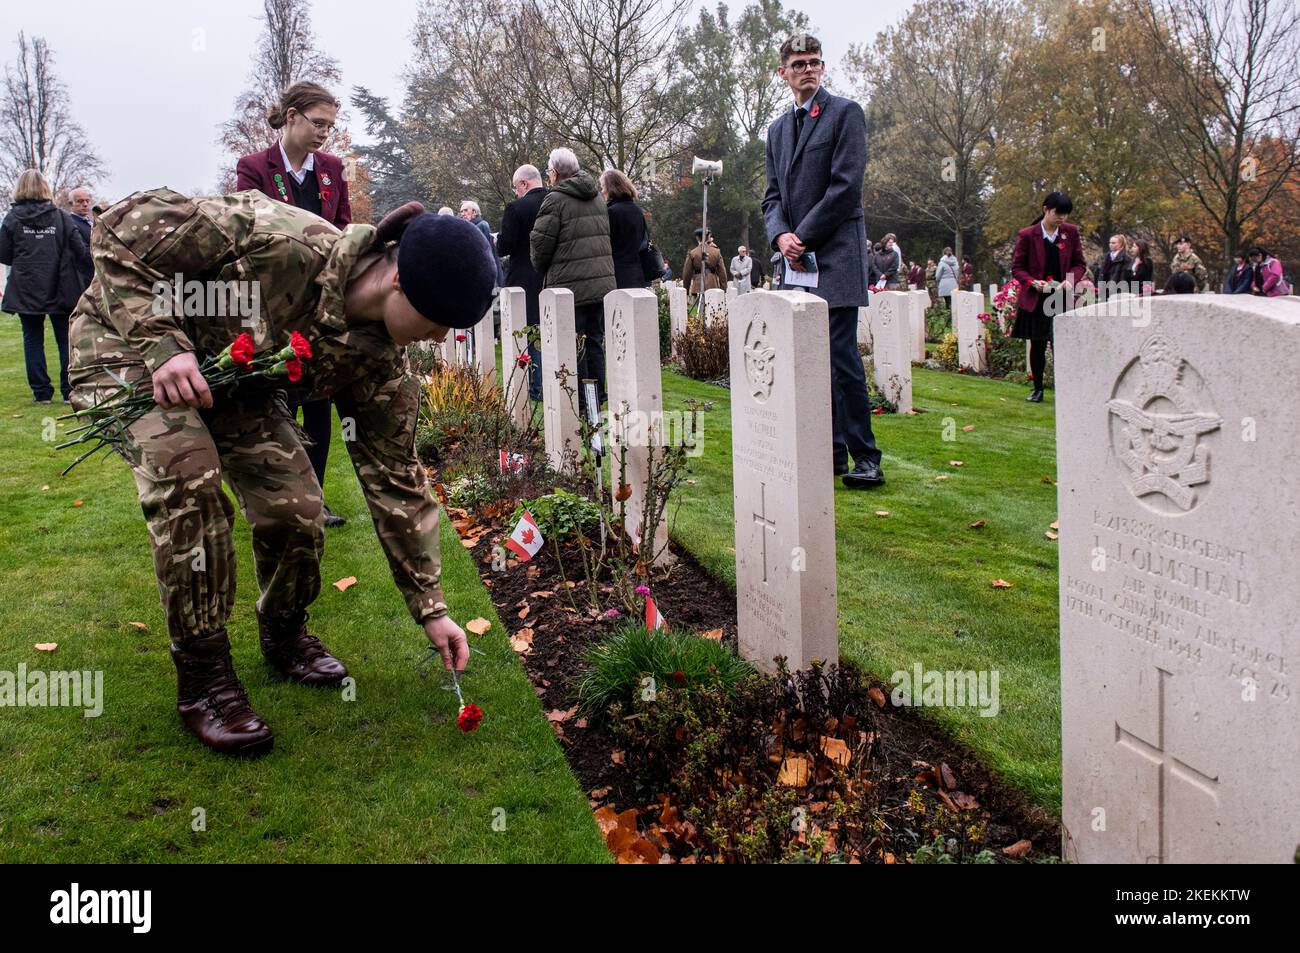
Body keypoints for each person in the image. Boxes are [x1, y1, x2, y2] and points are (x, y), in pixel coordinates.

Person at [67, 190, 497, 755]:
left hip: (231, 381)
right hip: (124, 346)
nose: (442, 337)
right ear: (398, 279)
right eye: (439, 320)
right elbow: (121, 228)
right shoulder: (276, 239)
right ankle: (204, 677)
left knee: (296, 509)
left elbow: (395, 477)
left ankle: (284, 631)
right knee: (189, 478)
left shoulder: (379, 361)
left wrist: (431, 607)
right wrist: (163, 344)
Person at [763, 33, 883, 489]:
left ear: (823, 68)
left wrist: (802, 236)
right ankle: (826, 452)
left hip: (833, 254)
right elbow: (771, 196)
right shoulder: (776, 130)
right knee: (801, 358)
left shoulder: (844, 113)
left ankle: (865, 455)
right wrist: (780, 237)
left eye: (814, 62)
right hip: (795, 260)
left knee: (840, 357)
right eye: (798, 64)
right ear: (784, 73)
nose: (808, 69)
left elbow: (845, 187)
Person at [237, 81, 352, 528]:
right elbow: (251, 228)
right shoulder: (254, 168)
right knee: (279, 402)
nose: (325, 133)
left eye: (331, 126)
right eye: (318, 123)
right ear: (291, 117)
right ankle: (285, 500)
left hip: (319, 303)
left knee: (319, 402)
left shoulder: (332, 168)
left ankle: (317, 500)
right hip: (273, 308)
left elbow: (341, 227)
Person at [530, 146, 616, 415]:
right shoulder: (597, 198)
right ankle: (597, 400)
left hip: (570, 287)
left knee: (574, 346)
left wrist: (541, 268)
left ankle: (583, 404)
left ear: (554, 173)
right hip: (599, 285)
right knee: (594, 343)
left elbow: (541, 244)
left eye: (548, 171)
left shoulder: (554, 200)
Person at [0, 170, 90, 404]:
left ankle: (41, 393)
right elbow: (81, 251)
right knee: (64, 340)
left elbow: (4, 254)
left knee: (32, 339)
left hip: (26, 287)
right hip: (60, 286)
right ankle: (67, 390)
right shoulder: (61, 218)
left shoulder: (12, 218)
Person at [1010, 191, 1085, 404]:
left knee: (1062, 344)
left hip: (1061, 296)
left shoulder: (1070, 233)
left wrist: (1070, 280)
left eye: (1065, 214)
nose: (1062, 218)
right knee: (1038, 344)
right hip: (1037, 298)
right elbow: (1017, 268)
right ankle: (1038, 388)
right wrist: (1032, 282)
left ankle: (1066, 388)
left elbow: (1079, 263)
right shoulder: (1027, 235)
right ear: (1045, 209)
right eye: (1057, 213)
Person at [497, 164, 547, 400]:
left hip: (525, 277)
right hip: (553, 275)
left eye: (516, 187)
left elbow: (505, 246)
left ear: (524, 184)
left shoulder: (517, 208)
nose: (515, 192)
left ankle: (538, 386)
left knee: (532, 331)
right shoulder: (556, 201)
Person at [600, 169, 649, 291]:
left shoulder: (610, 212)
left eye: (603, 186)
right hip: (637, 273)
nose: (602, 190)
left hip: (616, 275)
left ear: (610, 187)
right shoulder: (637, 211)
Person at [681, 228, 728, 300]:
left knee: (700, 310)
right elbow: (722, 272)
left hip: (697, 285)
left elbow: (687, 273)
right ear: (708, 237)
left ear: (697, 238)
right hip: (713, 284)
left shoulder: (693, 253)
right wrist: (723, 289)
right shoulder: (716, 252)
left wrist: (686, 290)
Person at [1096, 233, 1130, 298]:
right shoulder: (1105, 257)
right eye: (1110, 242)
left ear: (1120, 244)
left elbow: (1123, 278)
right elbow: (1099, 274)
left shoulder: (1125, 259)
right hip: (1103, 291)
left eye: (1113, 243)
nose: (1111, 244)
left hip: (1116, 292)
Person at [935, 246, 959, 311]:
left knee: (947, 301)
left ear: (944, 253)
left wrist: (937, 280)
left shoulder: (942, 263)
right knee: (953, 300)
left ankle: (948, 315)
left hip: (944, 284)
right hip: (954, 283)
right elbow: (957, 273)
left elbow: (938, 275)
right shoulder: (955, 262)